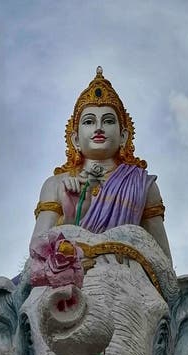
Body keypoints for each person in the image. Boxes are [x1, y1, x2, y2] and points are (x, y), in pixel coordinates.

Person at [31, 66, 171, 260]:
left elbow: (162, 259)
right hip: (68, 276)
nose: (98, 128)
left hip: (128, 278)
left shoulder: (142, 185)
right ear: (75, 140)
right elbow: (37, 252)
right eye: (89, 122)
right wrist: (71, 217)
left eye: (108, 121)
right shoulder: (56, 185)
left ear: (123, 136)